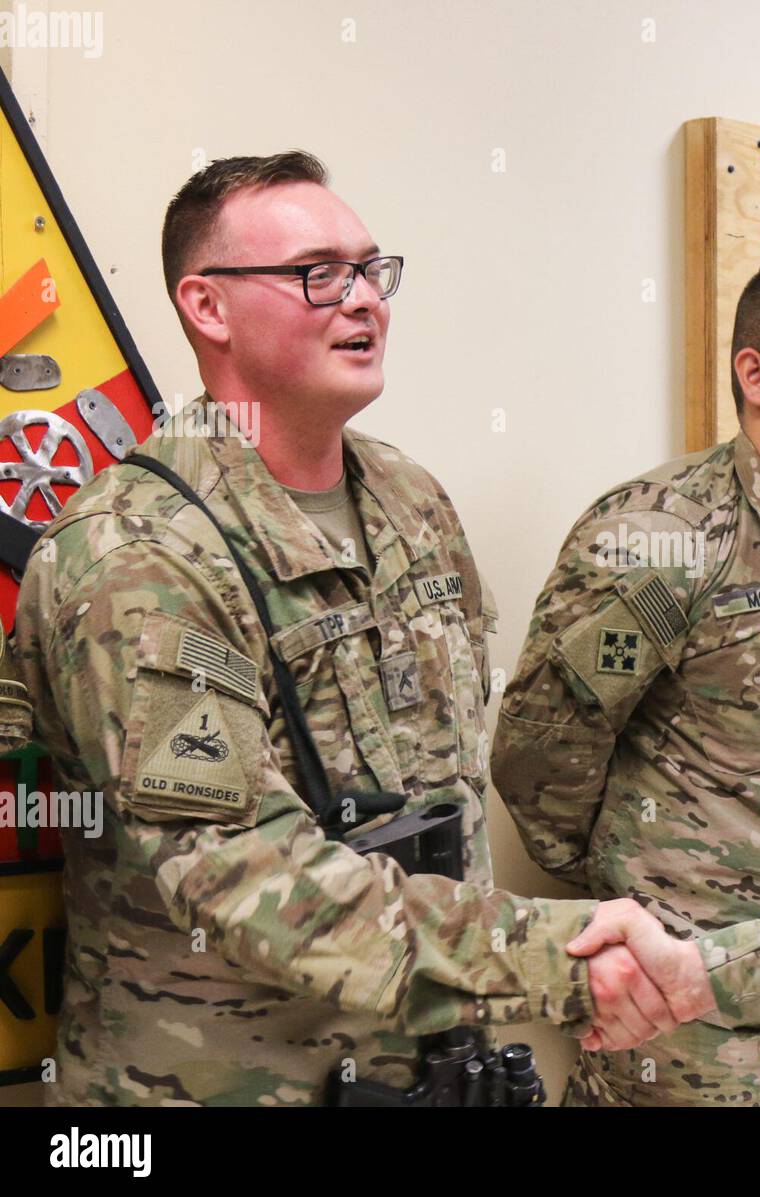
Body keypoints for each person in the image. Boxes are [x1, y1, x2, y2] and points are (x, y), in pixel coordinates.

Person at [12, 151, 713, 1106]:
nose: (364, 301)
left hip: (425, 1072)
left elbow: (447, 794)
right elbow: (246, 876)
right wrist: (558, 958)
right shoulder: (141, 553)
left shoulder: (411, 502)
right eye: (318, 274)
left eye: (371, 271)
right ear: (208, 307)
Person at [492, 259, 760, 1105]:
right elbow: (541, 751)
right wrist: (637, 892)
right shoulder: (661, 538)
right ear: (755, 375)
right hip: (697, 1013)